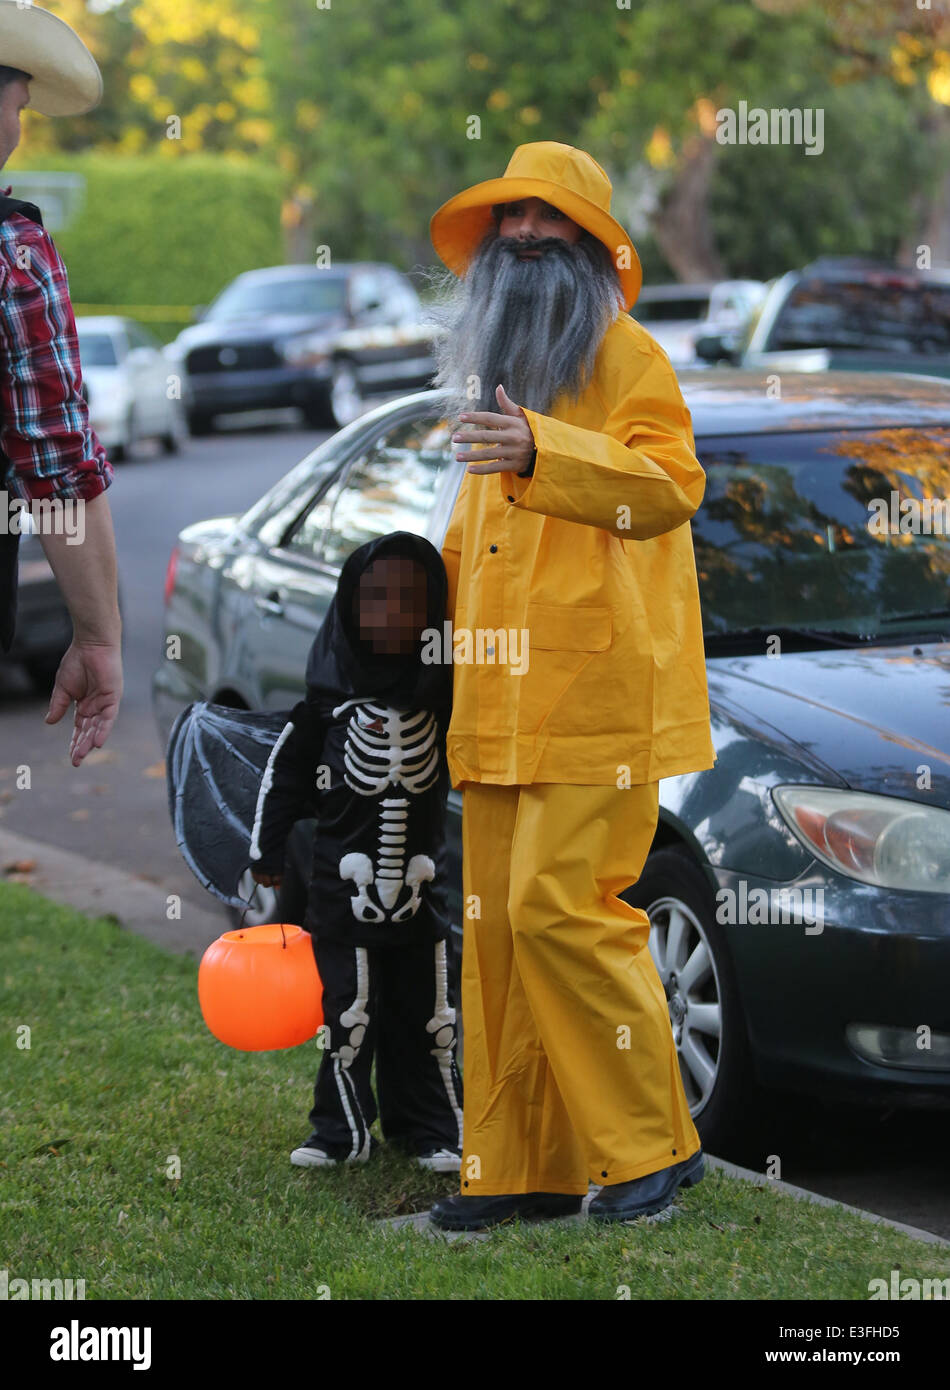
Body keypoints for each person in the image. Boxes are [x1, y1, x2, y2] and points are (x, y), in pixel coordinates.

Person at [426, 141, 717, 1229]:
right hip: (496, 702)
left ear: (596, 246)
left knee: (561, 910)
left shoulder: (629, 354)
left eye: (551, 220)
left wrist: (543, 449)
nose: (527, 235)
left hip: (602, 701)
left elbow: (670, 487)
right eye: (512, 218)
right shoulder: (496, 378)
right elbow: (473, 542)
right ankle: (522, 1166)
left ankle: (654, 1145)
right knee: (498, 926)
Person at [249, 531, 463, 1172]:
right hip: (345, 899)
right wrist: (267, 851)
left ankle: (428, 1129)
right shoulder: (324, 711)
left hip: (425, 897)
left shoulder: (446, 699)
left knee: (430, 1022)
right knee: (349, 1017)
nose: (394, 616)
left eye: (411, 601)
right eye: (376, 601)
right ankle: (338, 1132)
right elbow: (281, 780)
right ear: (348, 610)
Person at [0, 2, 121, 767]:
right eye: (18, 107)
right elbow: (57, 466)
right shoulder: (13, 255)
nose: (16, 130)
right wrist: (100, 637)